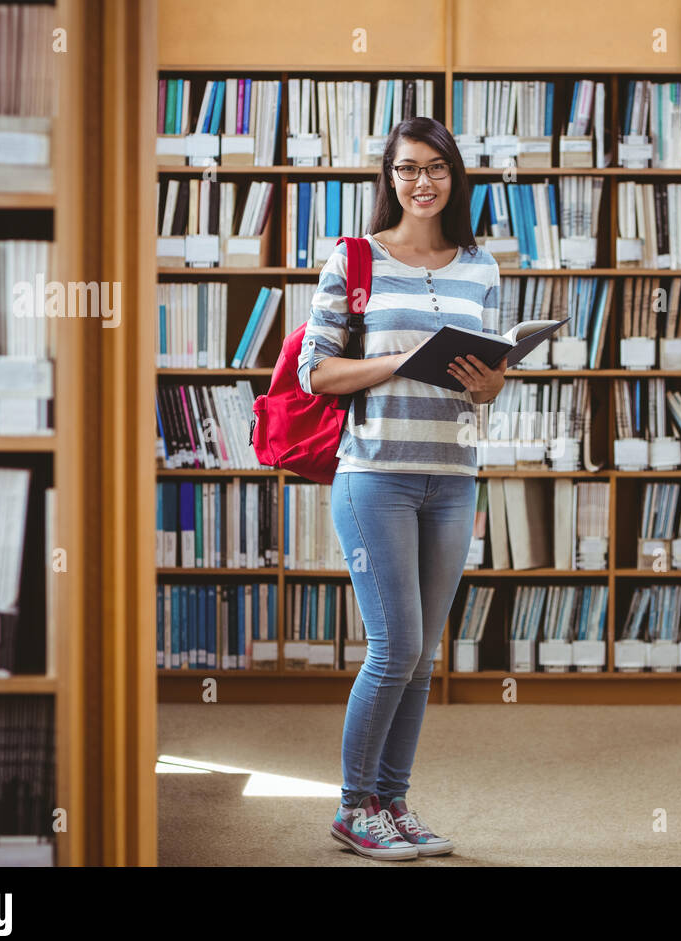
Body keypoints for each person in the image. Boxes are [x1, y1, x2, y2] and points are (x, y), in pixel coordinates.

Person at [297, 116, 506, 860]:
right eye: (408, 168)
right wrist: (400, 360)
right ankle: (356, 807)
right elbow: (314, 374)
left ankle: (394, 801)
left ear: (456, 177)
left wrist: (489, 384)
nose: (423, 182)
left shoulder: (481, 265)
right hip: (375, 473)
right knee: (395, 647)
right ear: (389, 178)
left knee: (424, 658)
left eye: (437, 168)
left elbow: (487, 386)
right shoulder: (355, 260)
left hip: (453, 475)